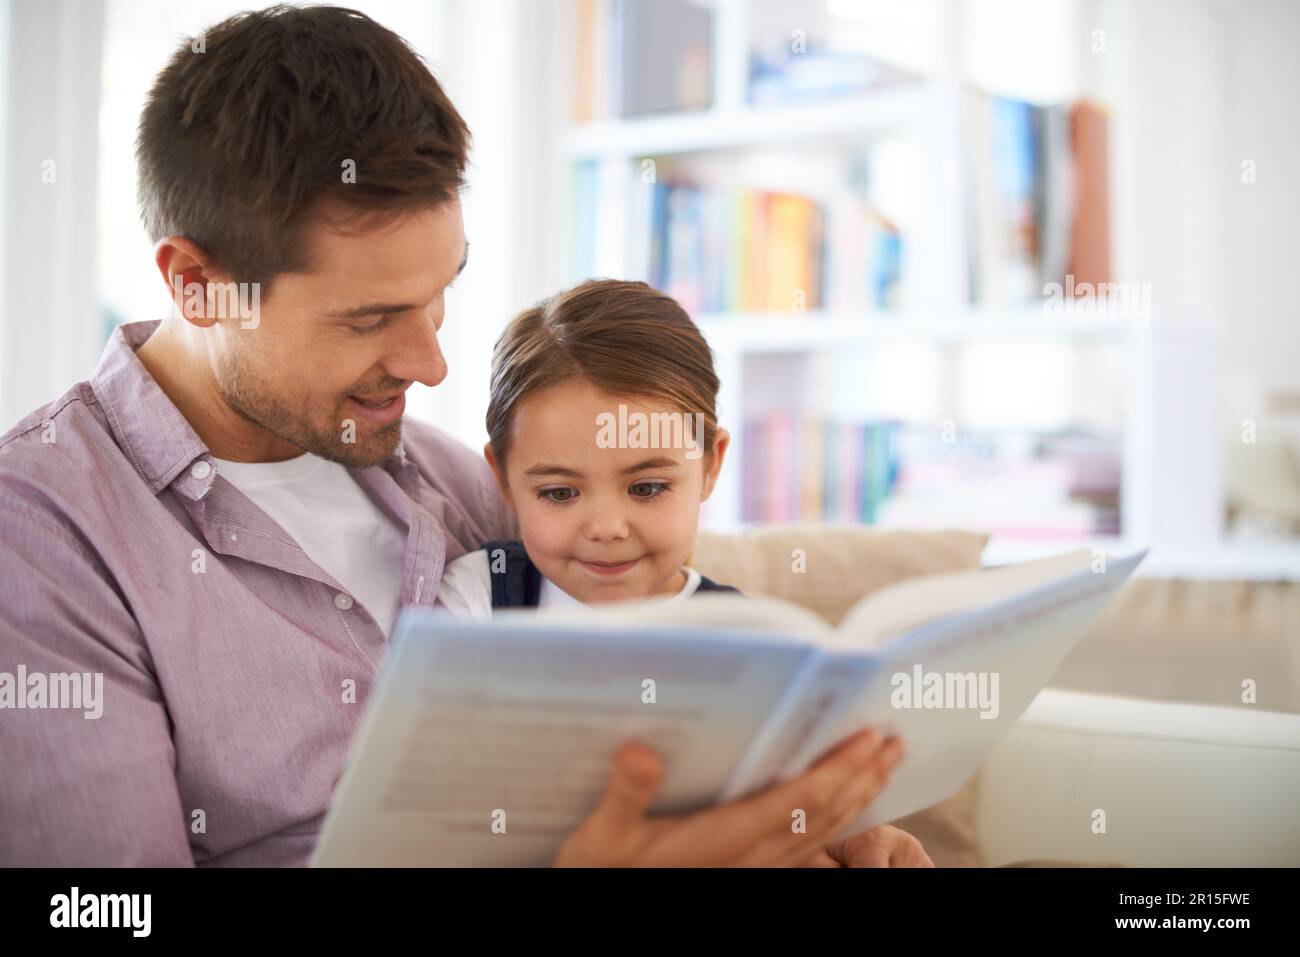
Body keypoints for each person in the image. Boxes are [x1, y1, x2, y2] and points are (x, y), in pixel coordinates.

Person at [0, 5, 924, 868]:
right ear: (197, 284)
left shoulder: (455, 484)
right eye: (370, 319)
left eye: (442, 291)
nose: (431, 363)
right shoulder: (45, 532)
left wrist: (814, 808)